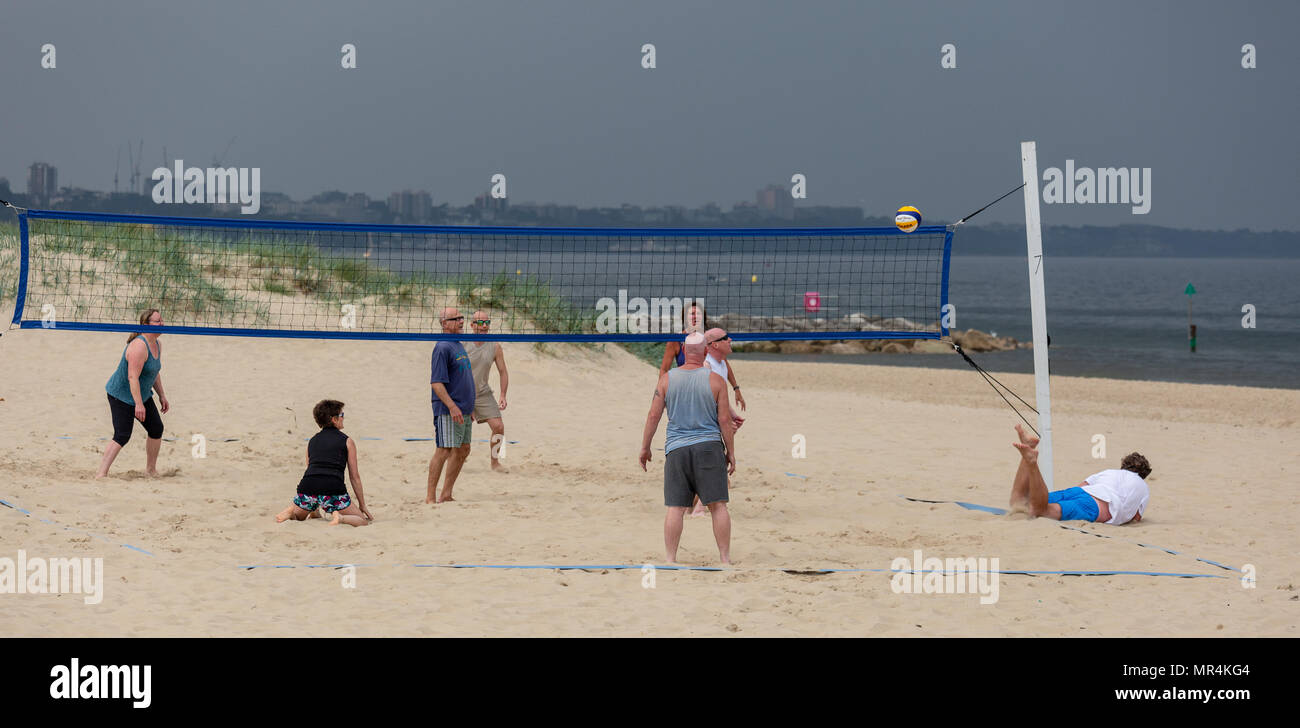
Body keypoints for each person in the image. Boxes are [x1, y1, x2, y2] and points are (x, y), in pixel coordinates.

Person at [639, 333, 737, 564]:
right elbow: (724, 420)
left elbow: (653, 415)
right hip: (708, 447)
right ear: (705, 352)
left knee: (675, 507)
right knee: (718, 505)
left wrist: (645, 447)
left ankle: (670, 559)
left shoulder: (666, 380)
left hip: (677, 448)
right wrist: (731, 452)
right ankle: (724, 558)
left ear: (683, 350)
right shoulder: (716, 381)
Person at [1008, 424, 1151, 524]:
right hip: (1095, 506)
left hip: (1080, 492)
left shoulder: (1109, 472)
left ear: (1123, 466)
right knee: (1041, 511)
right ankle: (1031, 462)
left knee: (1021, 503)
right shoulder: (1143, 487)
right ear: (1143, 475)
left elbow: (1081, 486)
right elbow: (1136, 517)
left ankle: (1030, 447)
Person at [96, 308, 170, 478]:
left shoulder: (157, 344)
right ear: (146, 325)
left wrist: (162, 395)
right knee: (122, 435)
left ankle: (151, 470)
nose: (162, 324)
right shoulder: (138, 346)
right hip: (121, 395)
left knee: (156, 428)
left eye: (161, 320)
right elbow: (132, 377)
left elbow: (154, 371)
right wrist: (138, 404)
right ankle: (101, 474)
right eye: (157, 321)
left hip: (140, 394)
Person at [275, 399, 373, 527]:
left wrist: (314, 506)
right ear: (334, 419)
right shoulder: (347, 441)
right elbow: (354, 477)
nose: (343, 418)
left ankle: (291, 513)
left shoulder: (312, 441)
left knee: (298, 517)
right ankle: (340, 518)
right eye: (341, 415)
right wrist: (362, 505)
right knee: (361, 521)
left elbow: (310, 470)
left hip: (308, 487)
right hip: (332, 489)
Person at [427, 308, 476, 504]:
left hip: (464, 408)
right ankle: (430, 497)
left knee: (464, 448)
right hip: (448, 409)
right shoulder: (442, 347)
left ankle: (446, 494)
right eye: (456, 319)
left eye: (462, 317)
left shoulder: (458, 344)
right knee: (444, 449)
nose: (461, 321)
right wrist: (452, 406)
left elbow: (463, 379)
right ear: (445, 324)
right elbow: (436, 383)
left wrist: (468, 406)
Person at [464, 310, 509, 472]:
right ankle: (454, 460)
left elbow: (503, 371)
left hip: (483, 393)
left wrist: (503, 395)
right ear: (472, 325)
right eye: (480, 323)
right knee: (460, 435)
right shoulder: (462, 343)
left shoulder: (495, 346)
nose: (484, 326)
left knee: (499, 427)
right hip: (462, 393)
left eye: (487, 323)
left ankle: (495, 462)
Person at [658, 301, 707, 375]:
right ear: (685, 318)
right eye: (692, 314)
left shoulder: (711, 338)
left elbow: (723, 363)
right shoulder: (675, 341)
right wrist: (660, 386)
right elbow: (664, 369)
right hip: (684, 383)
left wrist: (731, 384)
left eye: (698, 314)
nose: (695, 316)